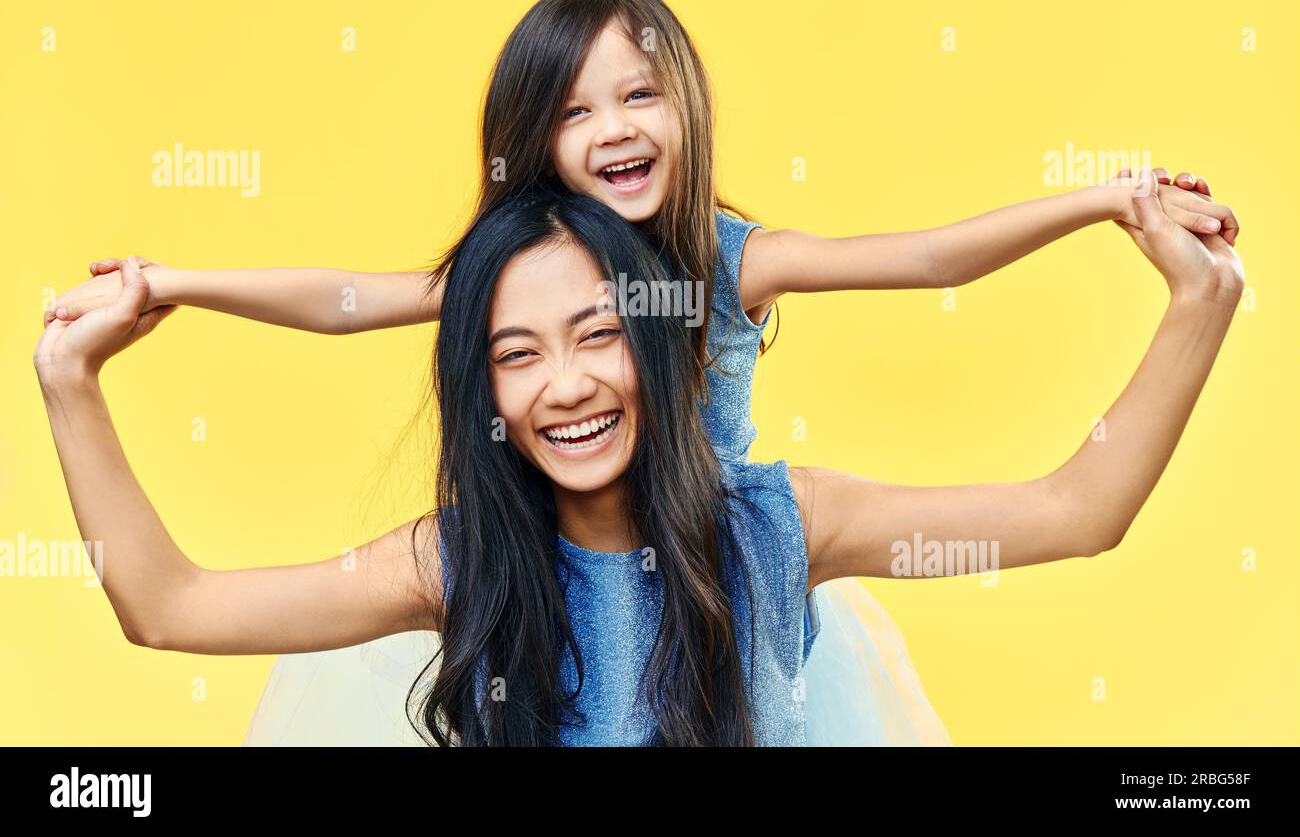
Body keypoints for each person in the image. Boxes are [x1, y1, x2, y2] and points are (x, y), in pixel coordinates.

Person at [35, 178, 1243, 745]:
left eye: (597, 334)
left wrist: (1200, 304)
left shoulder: (783, 524)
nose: (562, 382)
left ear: (665, 344)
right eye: (516, 354)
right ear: (485, 396)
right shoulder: (459, 565)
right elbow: (168, 604)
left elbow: (1077, 507)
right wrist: (71, 384)